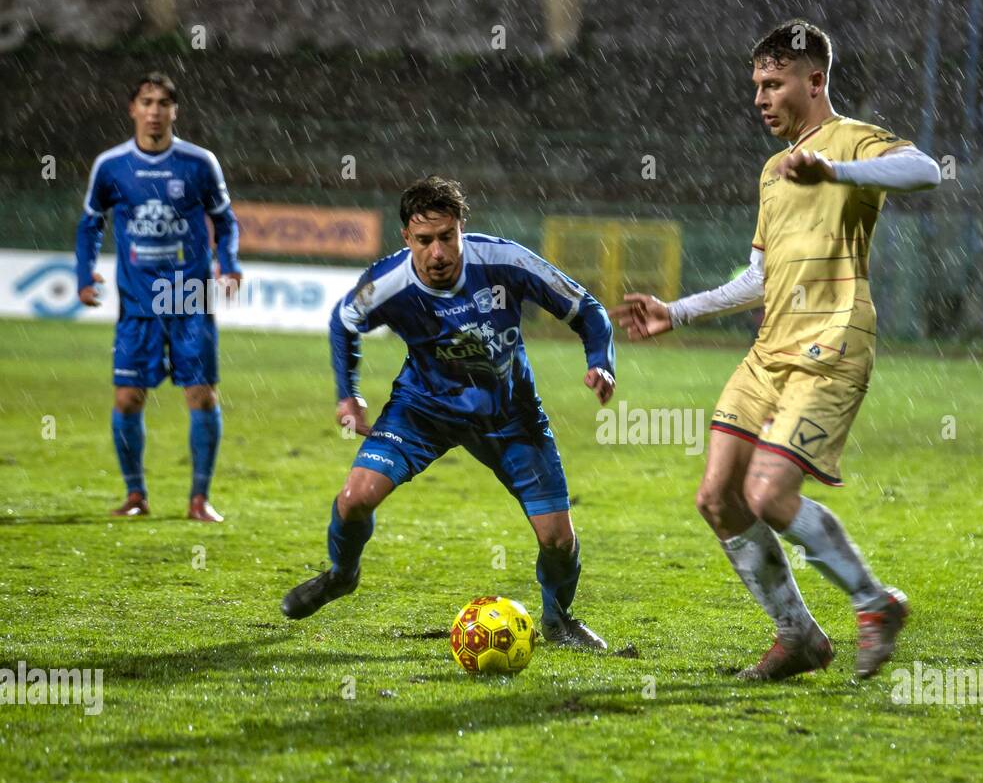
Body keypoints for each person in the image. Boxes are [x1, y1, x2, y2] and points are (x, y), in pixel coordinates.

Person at [614, 20, 940, 680]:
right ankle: (798, 638)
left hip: (832, 341)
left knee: (767, 495)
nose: (760, 97)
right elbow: (757, 278)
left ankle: (874, 602)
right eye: (756, 85)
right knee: (718, 498)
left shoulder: (850, 141)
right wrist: (678, 310)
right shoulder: (773, 171)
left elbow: (925, 170)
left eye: (774, 83)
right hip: (770, 350)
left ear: (814, 81)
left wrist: (839, 171)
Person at [281, 176, 615, 650]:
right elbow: (344, 321)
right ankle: (342, 573)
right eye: (424, 241)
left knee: (558, 538)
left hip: (510, 415)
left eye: (446, 238)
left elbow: (589, 311)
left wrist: (600, 361)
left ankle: (559, 620)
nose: (437, 253)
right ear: (406, 239)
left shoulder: (506, 261)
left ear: (462, 229)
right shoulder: (390, 282)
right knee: (354, 497)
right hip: (423, 410)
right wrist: (347, 393)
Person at [75, 72, 241, 521]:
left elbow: (225, 221)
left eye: (163, 102)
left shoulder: (198, 163)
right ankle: (135, 496)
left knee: (201, 397)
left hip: (188, 297)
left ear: (174, 111)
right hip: (137, 303)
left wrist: (229, 263)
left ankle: (199, 499)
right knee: (128, 399)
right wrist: (83, 272)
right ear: (133, 109)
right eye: (146, 102)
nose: (154, 110)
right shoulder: (111, 166)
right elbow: (91, 223)